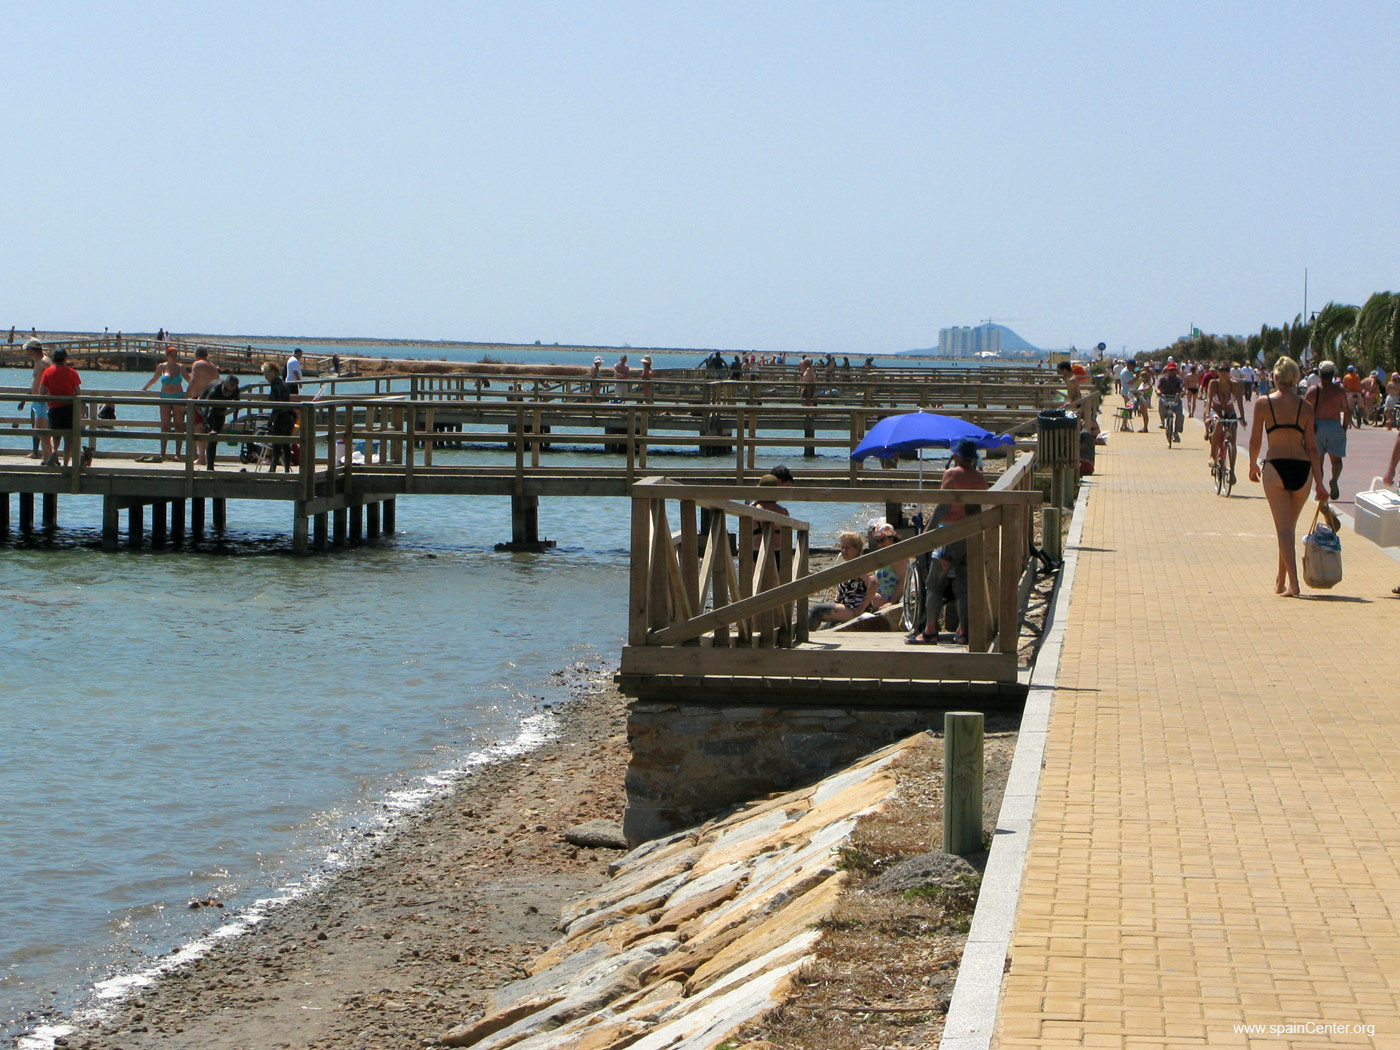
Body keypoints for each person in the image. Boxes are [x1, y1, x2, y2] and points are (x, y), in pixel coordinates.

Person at [1248, 356, 1327, 596]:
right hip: (1302, 468)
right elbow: (1312, 446)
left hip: (1276, 466)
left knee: (1283, 529)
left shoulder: (1263, 404)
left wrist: (1252, 465)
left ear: (1277, 376)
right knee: (1288, 527)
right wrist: (1320, 481)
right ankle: (1280, 580)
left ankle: (1293, 584)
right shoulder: (1306, 407)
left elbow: (1255, 440)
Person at [908, 438, 988, 644]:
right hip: (971, 535)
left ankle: (930, 630)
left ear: (957, 456)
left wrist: (928, 533)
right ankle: (962, 632)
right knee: (963, 586)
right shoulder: (980, 479)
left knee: (934, 583)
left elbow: (943, 507)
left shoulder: (951, 474)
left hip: (949, 534)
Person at [808, 531, 875, 629]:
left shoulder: (859, 566)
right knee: (824, 628)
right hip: (845, 607)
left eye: (847, 548)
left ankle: (802, 637)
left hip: (853, 609)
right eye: (842, 548)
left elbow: (873, 582)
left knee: (816, 610)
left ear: (857, 549)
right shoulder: (849, 566)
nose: (843, 551)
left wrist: (863, 606)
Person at [1304, 360, 1350, 500]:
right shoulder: (1339, 391)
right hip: (1334, 425)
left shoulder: (1312, 391)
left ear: (1319, 374)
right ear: (1332, 374)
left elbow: (1304, 411)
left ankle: (1320, 486)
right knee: (1337, 460)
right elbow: (1347, 411)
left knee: (1318, 461)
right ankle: (1334, 479)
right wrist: (1344, 428)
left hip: (1317, 427)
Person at [38, 348, 82, 467]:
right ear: (65, 359)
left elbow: (41, 391)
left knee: (55, 435)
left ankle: (55, 452)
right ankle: (66, 464)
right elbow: (78, 391)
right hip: (69, 408)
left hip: (54, 407)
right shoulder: (72, 372)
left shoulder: (48, 372)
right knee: (69, 438)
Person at [141, 345, 185, 460]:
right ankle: (163, 453)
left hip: (178, 398)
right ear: (167, 355)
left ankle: (178, 454)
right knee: (165, 426)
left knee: (179, 426)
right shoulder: (161, 367)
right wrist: (144, 388)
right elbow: (154, 379)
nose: (174, 357)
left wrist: (192, 394)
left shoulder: (180, 367)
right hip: (165, 398)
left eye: (175, 355)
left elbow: (191, 380)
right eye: (171, 355)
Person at [1203, 362, 1246, 483]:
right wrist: (1207, 415)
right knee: (1219, 423)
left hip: (1229, 412)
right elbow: (1209, 401)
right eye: (1221, 370)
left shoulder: (1235, 385)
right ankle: (1212, 455)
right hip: (1215, 411)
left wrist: (1242, 418)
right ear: (1217, 372)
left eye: (1226, 370)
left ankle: (1232, 471)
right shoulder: (1214, 383)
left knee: (1233, 440)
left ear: (1229, 372)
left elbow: (1240, 403)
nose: (1224, 373)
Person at [196, 375, 241, 469]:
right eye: (226, 390)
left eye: (230, 392)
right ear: (224, 384)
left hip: (220, 410)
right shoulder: (215, 389)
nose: (228, 393)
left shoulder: (235, 390)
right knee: (210, 434)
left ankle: (210, 465)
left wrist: (235, 417)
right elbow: (205, 407)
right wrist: (206, 424)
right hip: (205, 405)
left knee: (214, 439)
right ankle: (209, 466)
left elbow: (237, 404)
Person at [20, 338, 53, 461]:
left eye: (27, 350)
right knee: (43, 431)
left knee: (40, 431)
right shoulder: (39, 362)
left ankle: (52, 456)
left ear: (32, 350)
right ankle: (46, 459)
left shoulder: (44, 363)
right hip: (37, 400)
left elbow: (51, 381)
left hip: (43, 401)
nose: (27, 352)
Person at [260, 362, 297, 471]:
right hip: (288, 416)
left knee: (276, 443)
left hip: (281, 416)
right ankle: (286, 469)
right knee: (285, 444)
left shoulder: (275, 384)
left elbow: (277, 403)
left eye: (266, 374)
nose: (265, 377)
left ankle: (273, 467)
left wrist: (271, 419)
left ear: (272, 373)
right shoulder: (282, 383)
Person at [866, 522, 907, 611]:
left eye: (882, 540)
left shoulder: (897, 557)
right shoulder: (885, 554)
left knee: (859, 600)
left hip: (887, 597)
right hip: (879, 594)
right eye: (878, 541)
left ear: (891, 538)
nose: (880, 544)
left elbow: (904, 580)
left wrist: (892, 602)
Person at [1156, 361, 1186, 439]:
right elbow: (1157, 387)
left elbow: (1182, 387)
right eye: (1170, 370)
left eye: (1173, 370)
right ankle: (1162, 421)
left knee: (1179, 415)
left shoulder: (1178, 379)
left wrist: (1182, 392)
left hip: (1175, 398)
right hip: (1165, 397)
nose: (1172, 372)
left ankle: (1176, 432)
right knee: (1161, 403)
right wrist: (1158, 392)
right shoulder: (1163, 378)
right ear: (1167, 370)